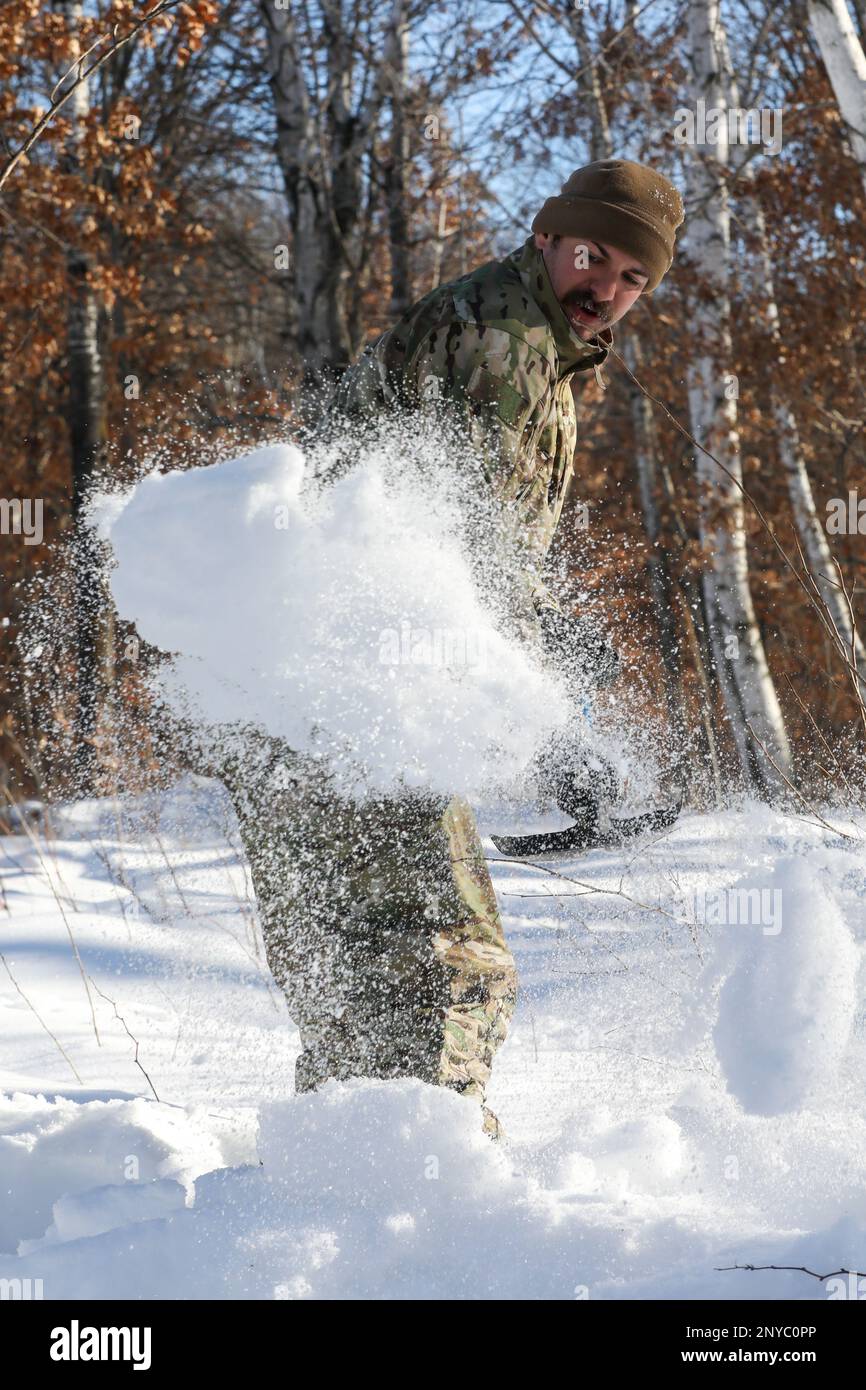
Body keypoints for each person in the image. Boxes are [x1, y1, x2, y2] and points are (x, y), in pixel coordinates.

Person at [219, 159, 684, 1137]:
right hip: (353, 689)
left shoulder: (531, 342)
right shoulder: (503, 344)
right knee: (446, 970)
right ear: (550, 236)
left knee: (358, 992)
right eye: (592, 257)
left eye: (632, 279)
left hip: (303, 694)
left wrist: (542, 641)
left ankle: (341, 1206)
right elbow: (454, 558)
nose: (604, 288)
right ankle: (426, 1220)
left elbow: (468, 552)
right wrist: (554, 729)